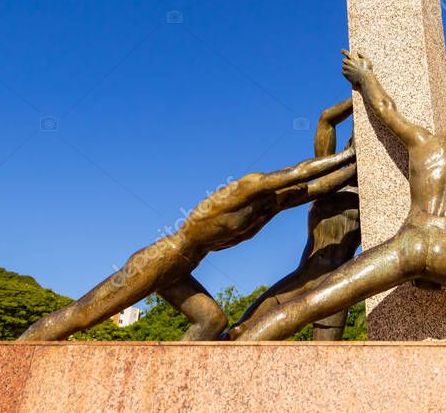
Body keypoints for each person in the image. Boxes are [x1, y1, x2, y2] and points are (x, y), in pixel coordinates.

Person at [234, 50, 446, 342]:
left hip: (408, 246)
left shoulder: (426, 143)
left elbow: (385, 109)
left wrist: (364, 75)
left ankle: (234, 355)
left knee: (310, 303)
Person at [18, 131, 356, 342]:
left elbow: (316, 187)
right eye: (291, 187)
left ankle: (177, 376)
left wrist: (355, 169)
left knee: (212, 321)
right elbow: (301, 172)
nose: (295, 193)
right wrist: (350, 156)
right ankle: (21, 350)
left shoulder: (272, 205)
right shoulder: (250, 186)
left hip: (182, 269)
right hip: (161, 258)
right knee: (84, 314)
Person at [227, 98, 360, 340]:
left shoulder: (370, 199)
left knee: (326, 359)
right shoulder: (328, 180)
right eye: (355, 141)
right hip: (300, 282)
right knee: (239, 333)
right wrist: (360, 98)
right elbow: (327, 119)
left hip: (335, 289)